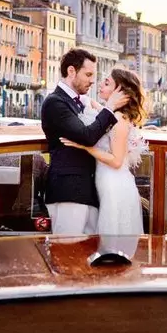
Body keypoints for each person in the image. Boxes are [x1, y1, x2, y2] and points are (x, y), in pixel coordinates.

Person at [41, 48, 128, 234]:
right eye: (88, 74)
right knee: (67, 253)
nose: (92, 80)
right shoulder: (55, 103)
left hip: (90, 193)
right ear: (71, 71)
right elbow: (86, 136)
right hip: (68, 192)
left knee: (87, 258)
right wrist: (110, 106)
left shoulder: (81, 102)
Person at [60, 68, 148, 237]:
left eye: (107, 83)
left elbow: (116, 161)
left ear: (120, 92)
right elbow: (101, 112)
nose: (100, 84)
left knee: (112, 238)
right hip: (107, 181)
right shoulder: (113, 114)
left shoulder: (120, 120)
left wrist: (85, 146)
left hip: (114, 185)